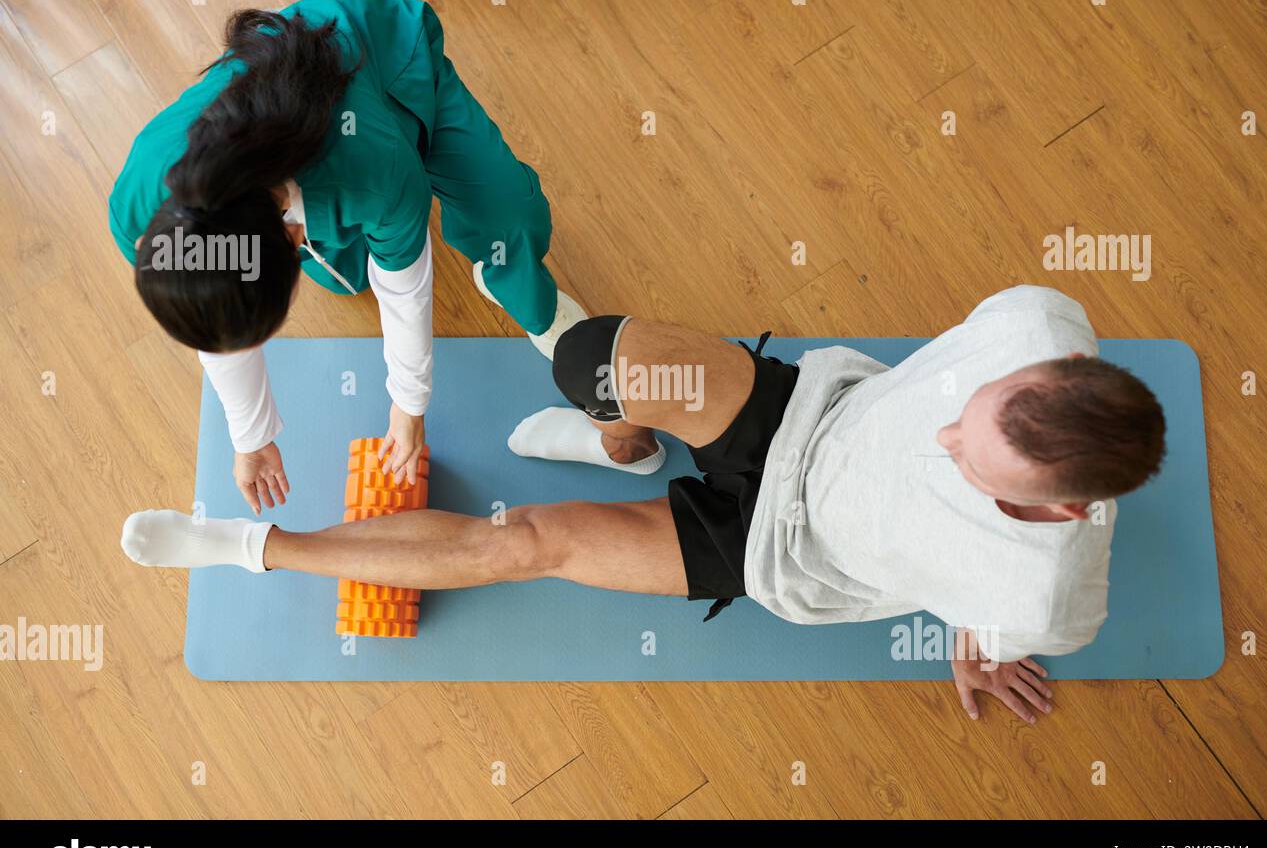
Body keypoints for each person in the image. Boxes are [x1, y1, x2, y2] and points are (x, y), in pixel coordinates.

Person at [120, 286, 1166, 722]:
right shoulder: (1037, 315)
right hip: (800, 412)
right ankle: (617, 440)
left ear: (1064, 514)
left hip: (777, 550)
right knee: (591, 361)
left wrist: (977, 637)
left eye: (969, 464)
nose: (944, 439)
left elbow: (1003, 606)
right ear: (1056, 363)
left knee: (523, 541)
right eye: (965, 414)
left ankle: (247, 543)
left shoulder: (1046, 593)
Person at [108, 0, 585, 516]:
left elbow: (405, 288)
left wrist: (409, 406)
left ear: (291, 237)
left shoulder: (373, 171)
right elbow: (216, 309)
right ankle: (352, 245)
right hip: (306, 155)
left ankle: (512, 278)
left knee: (509, 217)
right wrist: (250, 434)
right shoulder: (140, 213)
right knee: (347, 277)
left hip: (387, 55)